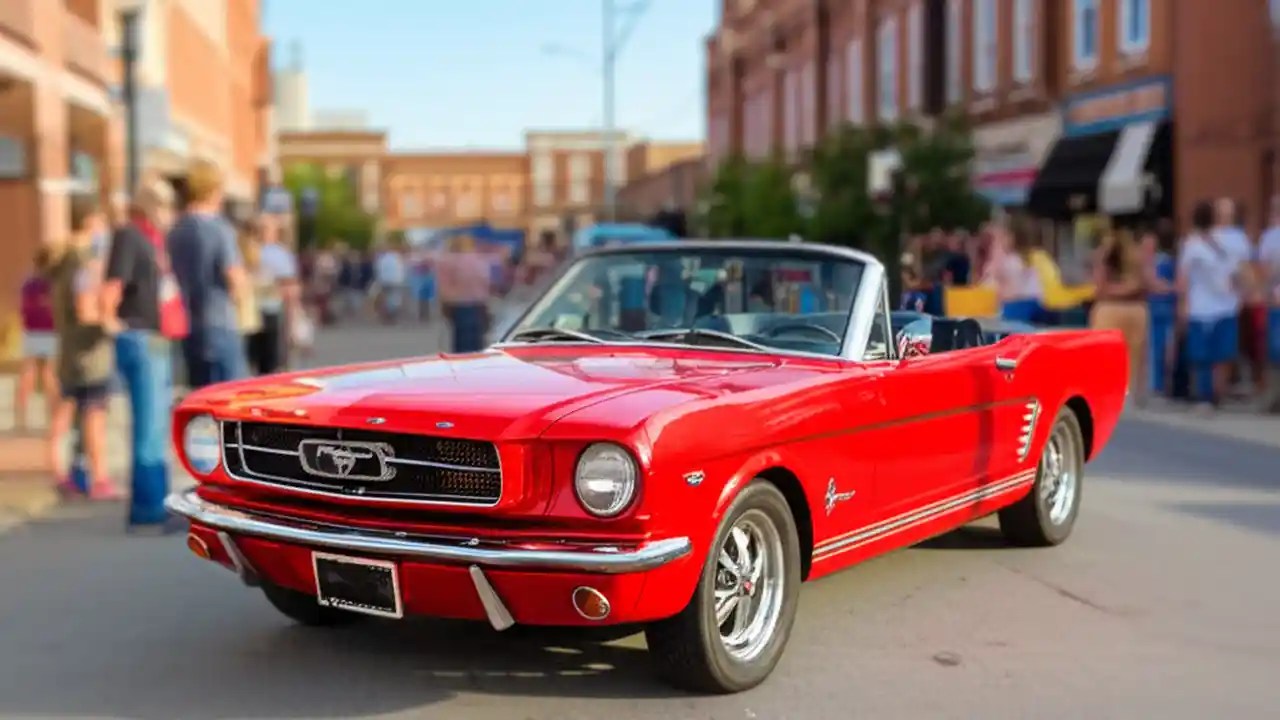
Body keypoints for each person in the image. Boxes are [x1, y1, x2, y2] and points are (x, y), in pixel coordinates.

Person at [102, 179, 185, 531]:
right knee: (149, 426)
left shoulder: (151, 239)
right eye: (165, 205)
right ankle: (150, 506)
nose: (170, 213)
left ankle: (152, 502)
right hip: (140, 336)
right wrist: (111, 321)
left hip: (155, 336)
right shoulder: (130, 235)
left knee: (154, 424)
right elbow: (113, 285)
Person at [41, 196, 120, 500]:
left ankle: (65, 474)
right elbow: (85, 306)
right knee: (93, 415)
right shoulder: (84, 258)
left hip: (68, 346)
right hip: (89, 350)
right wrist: (109, 323)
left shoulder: (60, 259)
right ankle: (100, 479)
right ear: (90, 222)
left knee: (64, 415)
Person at [167, 159, 249, 388]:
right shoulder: (220, 229)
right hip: (220, 321)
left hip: (188, 323)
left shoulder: (176, 230)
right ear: (214, 190)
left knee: (201, 400)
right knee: (230, 400)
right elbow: (234, 277)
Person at [1179, 200, 1246, 411]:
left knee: (1206, 356)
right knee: (1218, 354)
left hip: (1206, 307)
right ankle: (1213, 395)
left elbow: (1183, 278)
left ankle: (1209, 396)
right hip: (1217, 306)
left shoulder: (1193, 244)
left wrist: (1183, 304)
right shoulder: (1225, 241)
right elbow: (1239, 272)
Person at [1090, 229, 1151, 405]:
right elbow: (1144, 283)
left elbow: (1098, 286)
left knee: (1104, 354)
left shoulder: (1104, 257)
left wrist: (1110, 291)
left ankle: (1106, 393)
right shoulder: (1137, 257)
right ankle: (1132, 393)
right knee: (1136, 354)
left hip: (1108, 308)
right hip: (1135, 309)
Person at [246, 218, 299, 374]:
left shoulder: (278, 253)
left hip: (268, 308)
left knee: (268, 357)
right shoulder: (252, 251)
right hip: (259, 310)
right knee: (266, 358)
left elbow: (289, 285)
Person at [16, 269, 59, 432]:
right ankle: (51, 418)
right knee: (48, 376)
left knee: (33, 375)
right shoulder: (53, 283)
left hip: (35, 331)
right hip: (48, 331)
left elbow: (23, 308)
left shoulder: (30, 284)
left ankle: (22, 419)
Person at [436, 234, 492, 352]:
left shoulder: (448, 261)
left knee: (461, 341)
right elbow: (486, 283)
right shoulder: (479, 260)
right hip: (478, 304)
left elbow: (444, 287)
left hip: (458, 304)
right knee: (477, 341)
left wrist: (443, 305)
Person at [1142, 226, 1178, 398]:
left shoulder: (1165, 261)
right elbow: (1153, 284)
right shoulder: (1148, 263)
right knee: (1155, 347)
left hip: (1166, 308)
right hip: (1154, 308)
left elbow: (1156, 284)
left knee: (1167, 347)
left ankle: (1163, 384)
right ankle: (1156, 384)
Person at [994, 219, 1044, 322]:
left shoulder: (1012, 261)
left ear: (1012, 237)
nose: (999, 241)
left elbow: (1011, 292)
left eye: (1001, 237)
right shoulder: (1025, 258)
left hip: (1019, 307)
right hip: (1032, 305)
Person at [1258, 196, 1280, 412]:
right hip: (1275, 299)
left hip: (1275, 299)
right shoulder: (1270, 237)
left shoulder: (1270, 238)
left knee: (1275, 351)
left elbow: (1265, 270)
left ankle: (1273, 398)